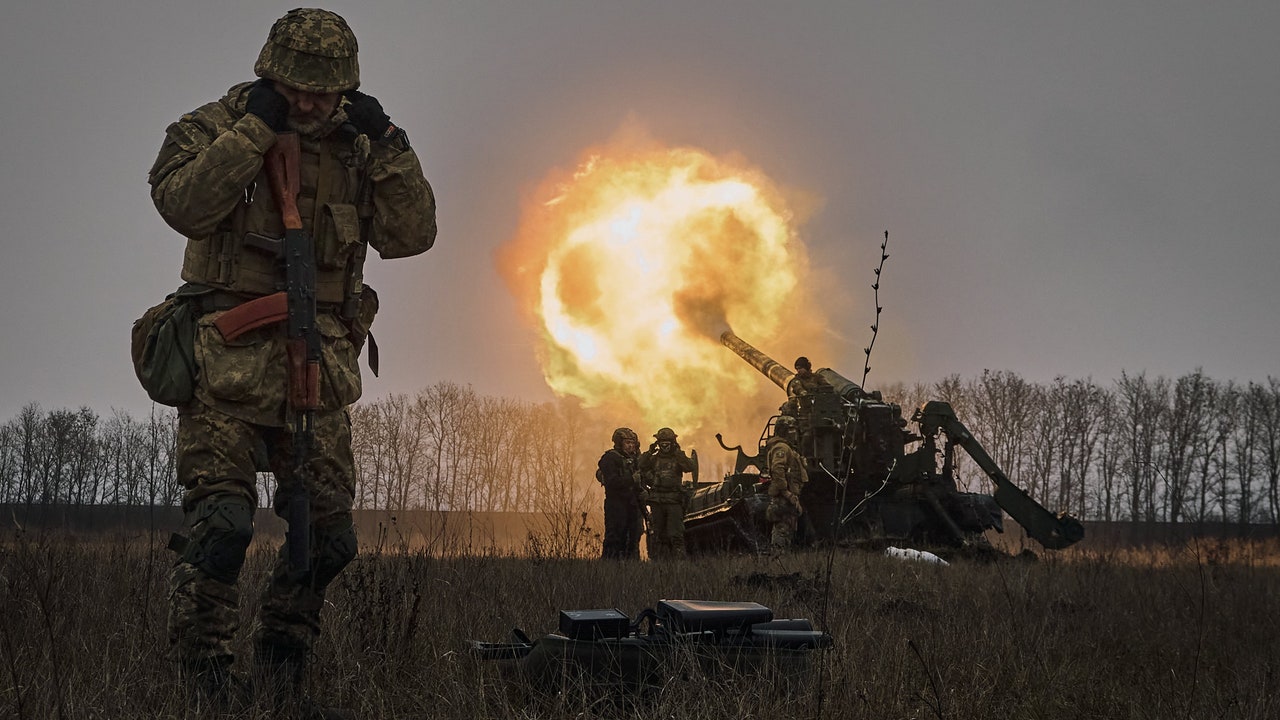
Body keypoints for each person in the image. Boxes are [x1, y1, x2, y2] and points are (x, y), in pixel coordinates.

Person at [147, 8, 436, 714]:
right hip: (226, 369)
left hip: (319, 368)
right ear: (270, 74)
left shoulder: (361, 147)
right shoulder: (215, 126)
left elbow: (412, 235)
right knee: (222, 530)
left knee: (328, 540)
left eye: (324, 92)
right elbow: (183, 205)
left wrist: (390, 144)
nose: (309, 104)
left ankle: (282, 669)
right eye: (296, 89)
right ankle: (206, 682)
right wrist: (254, 131)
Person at [638, 427, 697, 558]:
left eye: (667, 443)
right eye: (662, 443)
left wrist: (679, 453)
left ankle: (679, 563)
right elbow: (639, 465)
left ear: (673, 443)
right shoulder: (653, 459)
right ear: (658, 444)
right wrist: (649, 452)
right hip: (657, 501)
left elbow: (690, 467)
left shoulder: (678, 458)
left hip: (674, 501)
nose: (664, 446)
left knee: (676, 535)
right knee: (659, 535)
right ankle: (661, 563)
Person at [597, 427, 644, 560]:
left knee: (634, 536)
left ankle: (631, 565)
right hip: (616, 504)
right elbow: (612, 482)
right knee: (615, 537)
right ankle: (610, 565)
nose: (630, 446)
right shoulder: (610, 458)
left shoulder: (635, 459)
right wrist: (631, 479)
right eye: (627, 443)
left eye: (632, 443)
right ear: (619, 443)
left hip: (633, 503)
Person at [765, 415, 809, 552]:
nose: (795, 432)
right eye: (791, 429)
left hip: (789, 496)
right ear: (784, 431)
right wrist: (787, 493)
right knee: (782, 529)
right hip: (784, 498)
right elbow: (777, 469)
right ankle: (778, 558)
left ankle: (782, 558)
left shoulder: (788, 448)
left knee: (788, 527)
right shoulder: (782, 448)